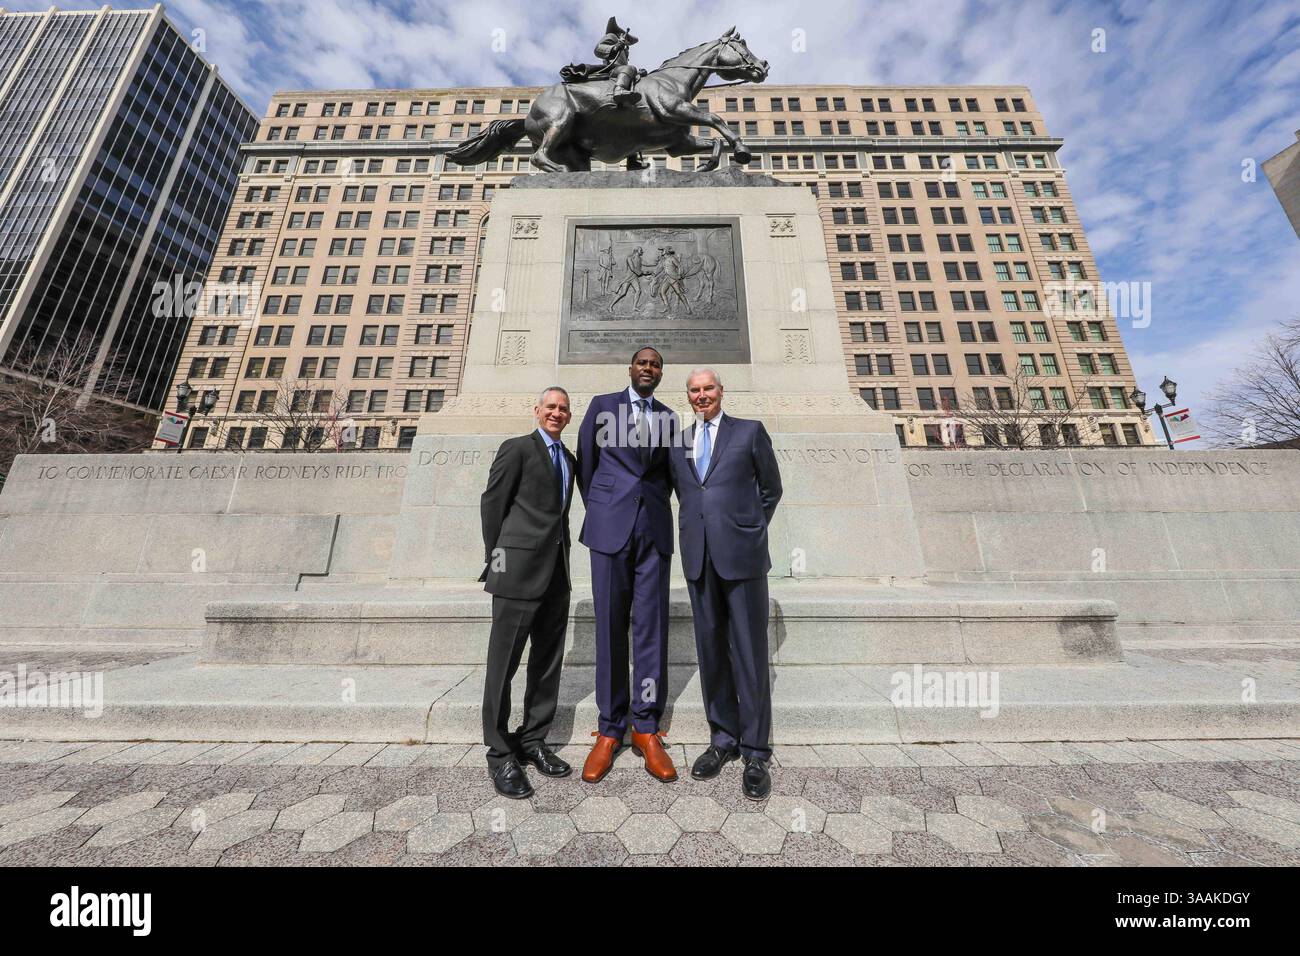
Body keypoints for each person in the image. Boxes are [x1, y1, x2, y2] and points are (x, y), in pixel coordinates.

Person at [668, 367, 783, 799]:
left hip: (743, 560)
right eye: (695, 391)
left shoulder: (749, 431)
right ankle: (723, 739)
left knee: (750, 653)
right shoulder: (678, 440)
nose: (702, 396)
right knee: (711, 650)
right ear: (689, 396)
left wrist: (746, 529)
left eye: (708, 389)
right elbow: (684, 494)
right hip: (699, 559)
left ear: (721, 391)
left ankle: (755, 751)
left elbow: (771, 488)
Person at [576, 347, 680, 784]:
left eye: (655, 365)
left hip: (653, 531)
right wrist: (605, 509)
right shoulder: (602, 407)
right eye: (643, 363)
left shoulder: (670, 418)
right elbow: (586, 463)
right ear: (631, 368)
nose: (648, 369)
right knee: (610, 627)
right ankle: (610, 727)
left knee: (651, 628)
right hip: (610, 528)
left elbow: (671, 475)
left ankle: (645, 726)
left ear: (659, 374)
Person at [478, 387, 578, 799]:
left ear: (569, 416)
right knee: (504, 665)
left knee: (546, 663)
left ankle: (533, 740)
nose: (556, 413)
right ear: (537, 411)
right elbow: (492, 505)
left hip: (557, 574)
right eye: (550, 406)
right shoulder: (516, 448)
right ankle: (500, 752)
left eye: (563, 408)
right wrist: (498, 562)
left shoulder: (570, 459)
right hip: (516, 572)